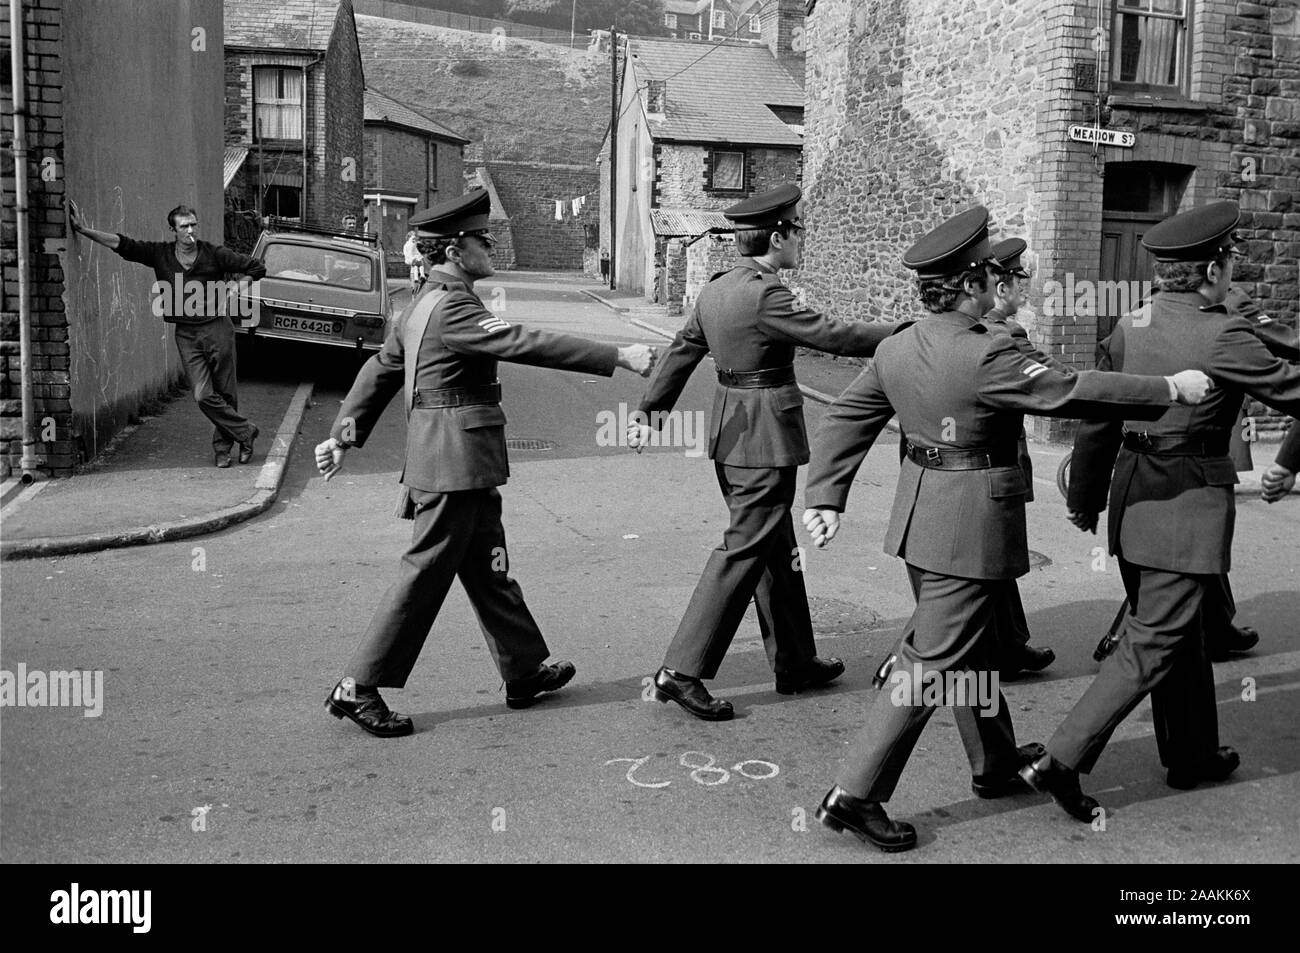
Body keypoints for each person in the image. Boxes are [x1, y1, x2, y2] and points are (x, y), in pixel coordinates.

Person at [801, 206, 1212, 852]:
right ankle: (855, 793)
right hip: (969, 524)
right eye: (990, 274)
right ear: (970, 285)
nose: (997, 283)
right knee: (930, 659)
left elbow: (847, 416)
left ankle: (992, 760)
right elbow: (1072, 389)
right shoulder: (986, 352)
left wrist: (826, 495)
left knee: (974, 648)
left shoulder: (899, 345)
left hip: (921, 515)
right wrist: (1170, 387)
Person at [316, 189, 656, 738]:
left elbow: (380, 370)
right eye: (481, 239)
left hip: (460, 461)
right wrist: (616, 354)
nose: (489, 245)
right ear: (453, 250)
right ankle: (358, 686)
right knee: (425, 571)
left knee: (488, 565)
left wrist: (343, 436)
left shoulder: (420, 302)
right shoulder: (452, 306)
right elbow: (523, 341)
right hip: (453, 463)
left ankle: (522, 670)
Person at [1025, 201, 1300, 821]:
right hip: (1185, 501)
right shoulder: (1225, 331)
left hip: (1133, 493)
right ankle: (1060, 759)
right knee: (1154, 639)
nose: (1232, 269)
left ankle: (1193, 753)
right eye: (1229, 259)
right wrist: (1288, 461)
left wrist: (1086, 498)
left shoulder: (1131, 325)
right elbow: (1294, 390)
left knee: (1185, 633)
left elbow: (1098, 421)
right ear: (1210, 270)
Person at [626, 183, 892, 721]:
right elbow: (831, 335)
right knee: (745, 548)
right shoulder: (766, 294)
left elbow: (682, 352)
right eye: (796, 230)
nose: (800, 239)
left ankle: (795, 661)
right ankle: (681, 671)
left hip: (732, 434)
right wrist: (908, 333)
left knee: (776, 549)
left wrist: (650, 414)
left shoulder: (718, 289)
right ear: (776, 236)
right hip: (763, 438)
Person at [1093, 286, 1298, 663]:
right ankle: (1128, 638)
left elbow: (1107, 382)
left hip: (1143, 454)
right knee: (1180, 558)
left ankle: (1213, 629)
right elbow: (1283, 343)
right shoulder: (1228, 304)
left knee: (1175, 553)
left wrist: (1086, 492)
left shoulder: (1143, 307)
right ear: (1214, 265)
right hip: (1198, 433)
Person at [67, 199, 264, 468]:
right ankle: (245, 432)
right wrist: (84, 230)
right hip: (186, 334)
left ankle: (223, 448)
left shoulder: (214, 253)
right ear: (173, 229)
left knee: (225, 391)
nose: (190, 231)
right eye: (184, 226)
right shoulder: (160, 254)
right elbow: (123, 245)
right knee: (203, 395)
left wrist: (233, 289)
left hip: (217, 327)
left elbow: (256, 267)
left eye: (193, 224)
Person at [403, 229, 426, 295]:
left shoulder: (416, 244)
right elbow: (407, 257)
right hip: (414, 269)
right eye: (413, 237)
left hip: (421, 270)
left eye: (415, 237)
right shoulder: (408, 245)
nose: (414, 239)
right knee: (415, 290)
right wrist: (413, 260)